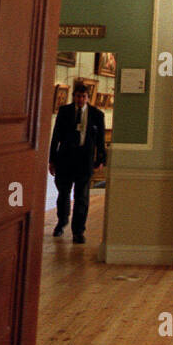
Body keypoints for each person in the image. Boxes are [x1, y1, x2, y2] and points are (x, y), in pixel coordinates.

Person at [49, 81, 106, 243]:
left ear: (88, 98)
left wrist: (101, 159)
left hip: (84, 160)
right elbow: (56, 137)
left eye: (83, 97)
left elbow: (100, 140)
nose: (80, 99)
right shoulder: (64, 112)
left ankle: (78, 231)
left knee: (82, 197)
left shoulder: (97, 115)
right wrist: (52, 160)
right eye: (78, 96)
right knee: (63, 193)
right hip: (65, 159)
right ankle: (62, 221)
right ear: (73, 96)